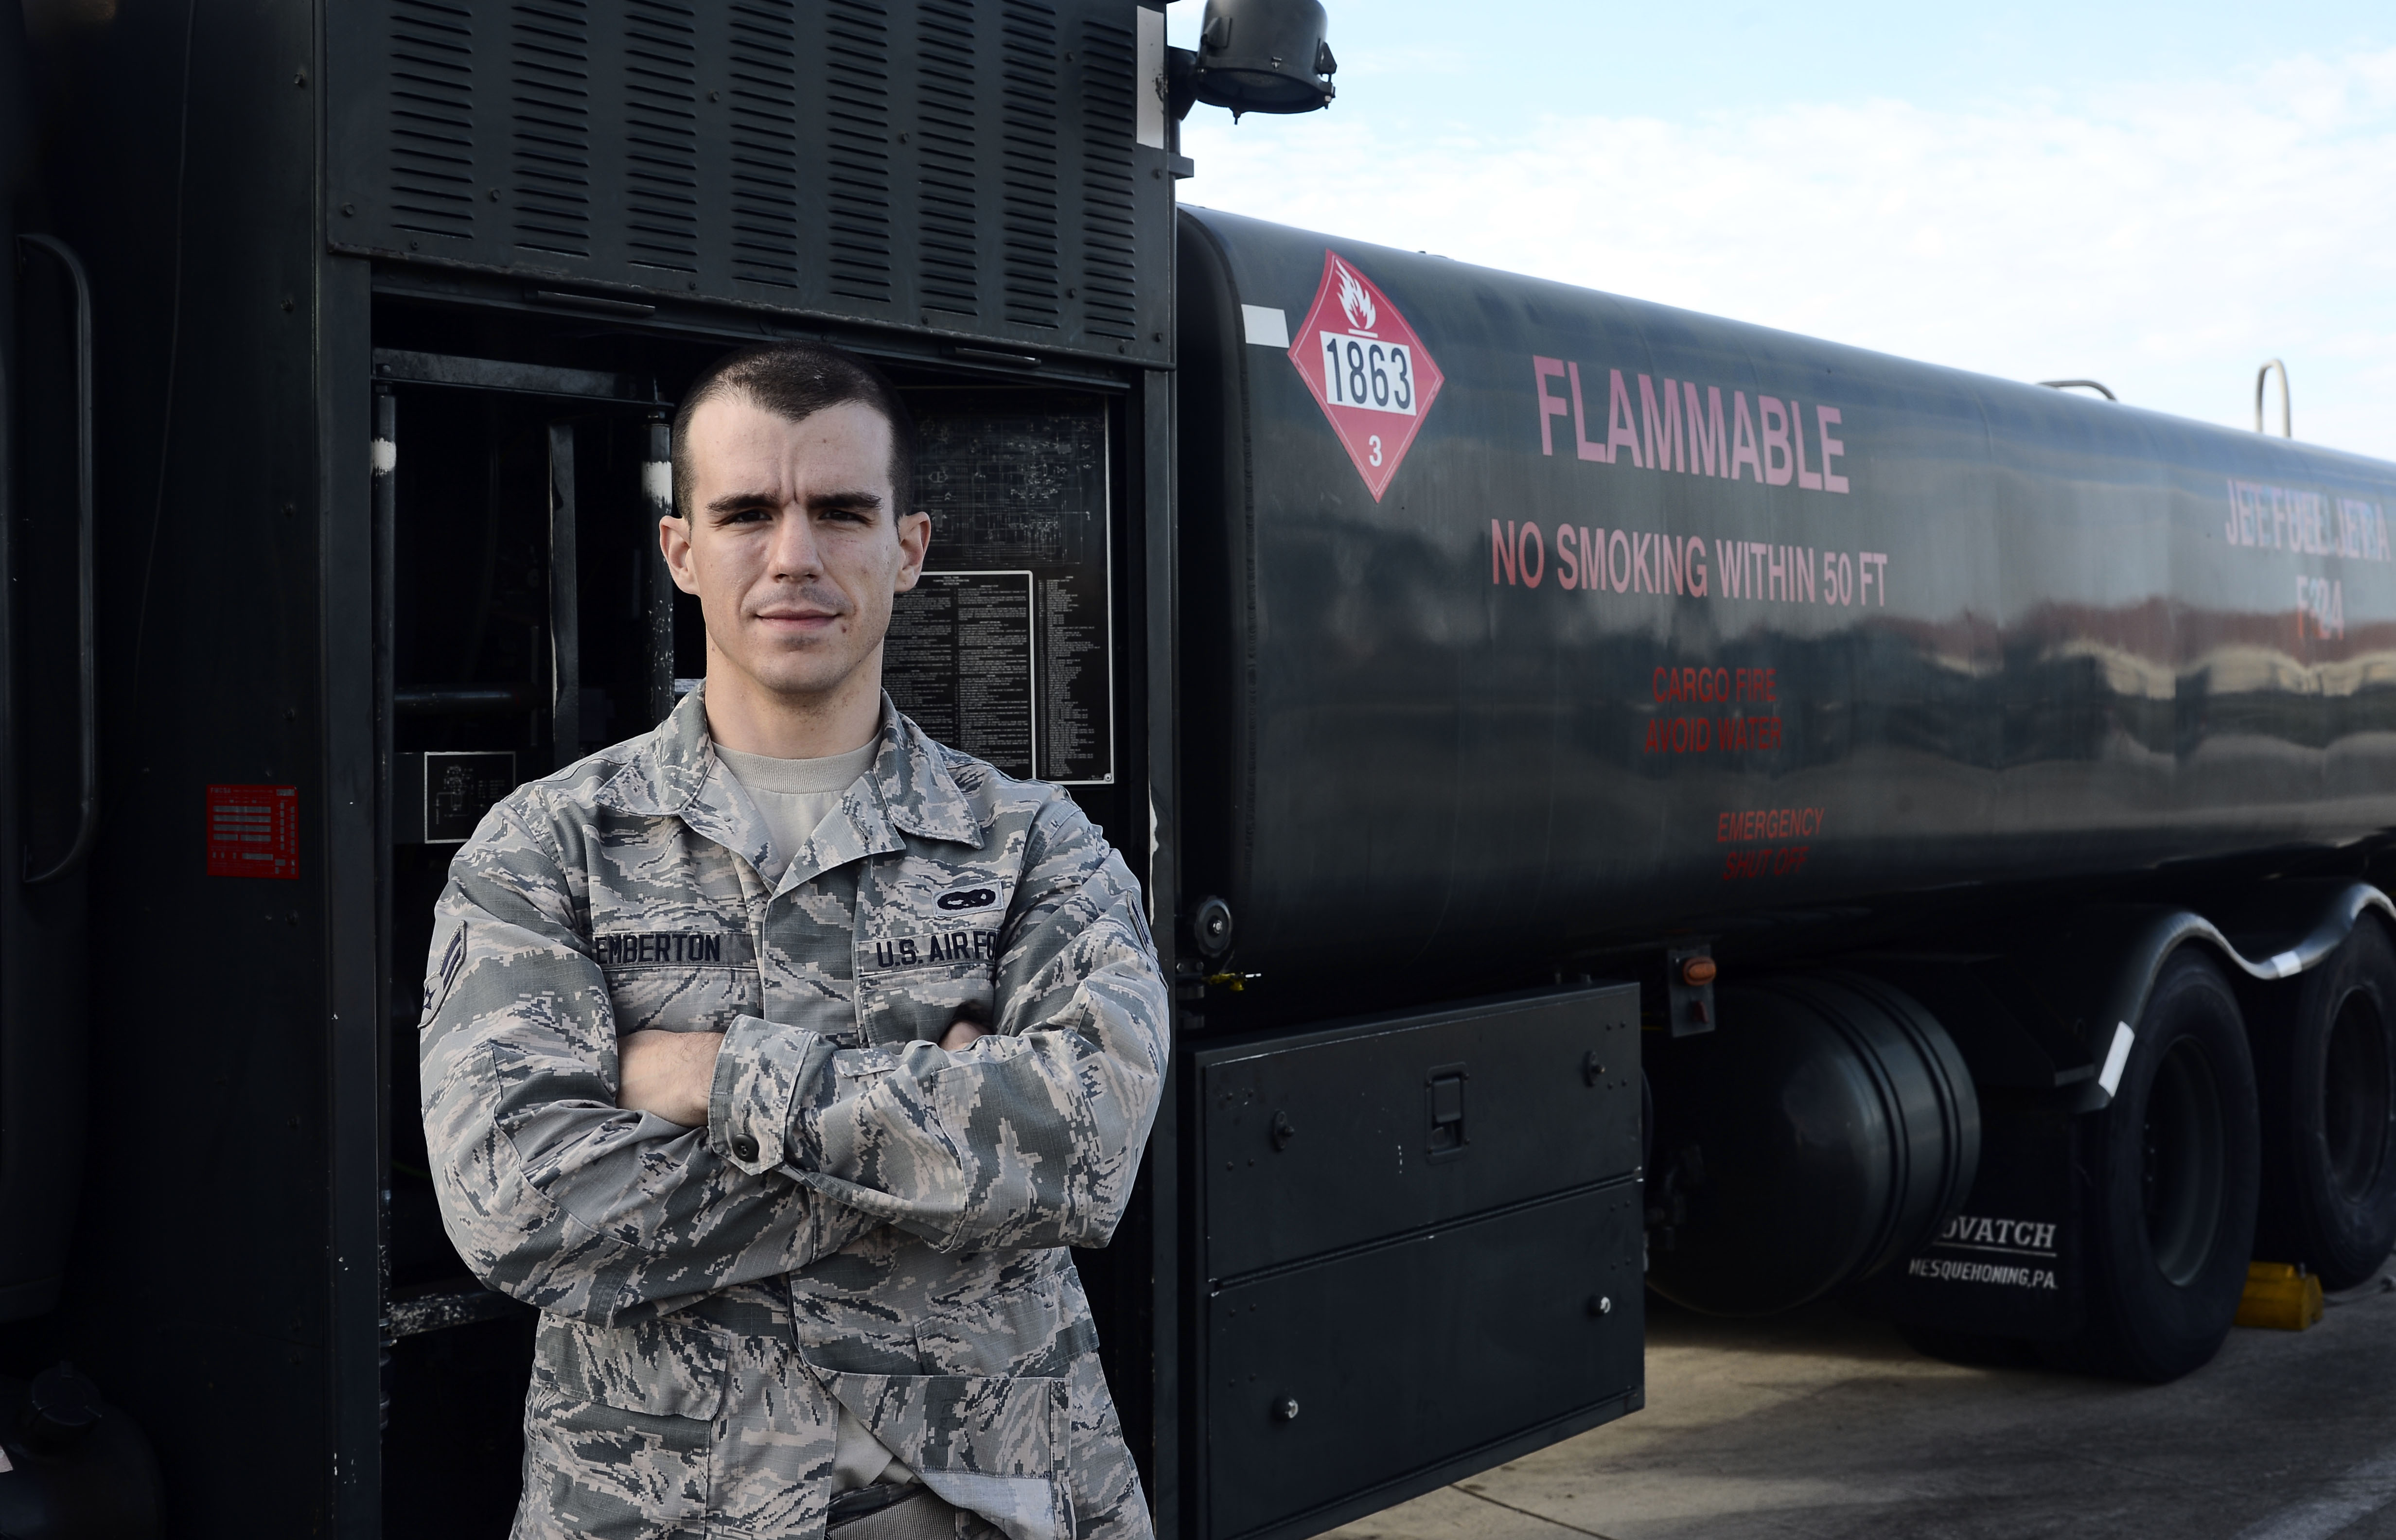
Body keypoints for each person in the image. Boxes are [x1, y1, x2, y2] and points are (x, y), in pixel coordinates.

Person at [417, 340, 1168, 1540]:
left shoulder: (1031, 845)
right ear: (681, 550)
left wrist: (709, 1076)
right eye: (748, 512)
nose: (794, 556)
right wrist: (952, 1153)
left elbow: (1086, 1150)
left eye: (840, 511)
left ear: (907, 547)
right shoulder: (549, 849)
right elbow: (516, 1203)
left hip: (993, 1505)